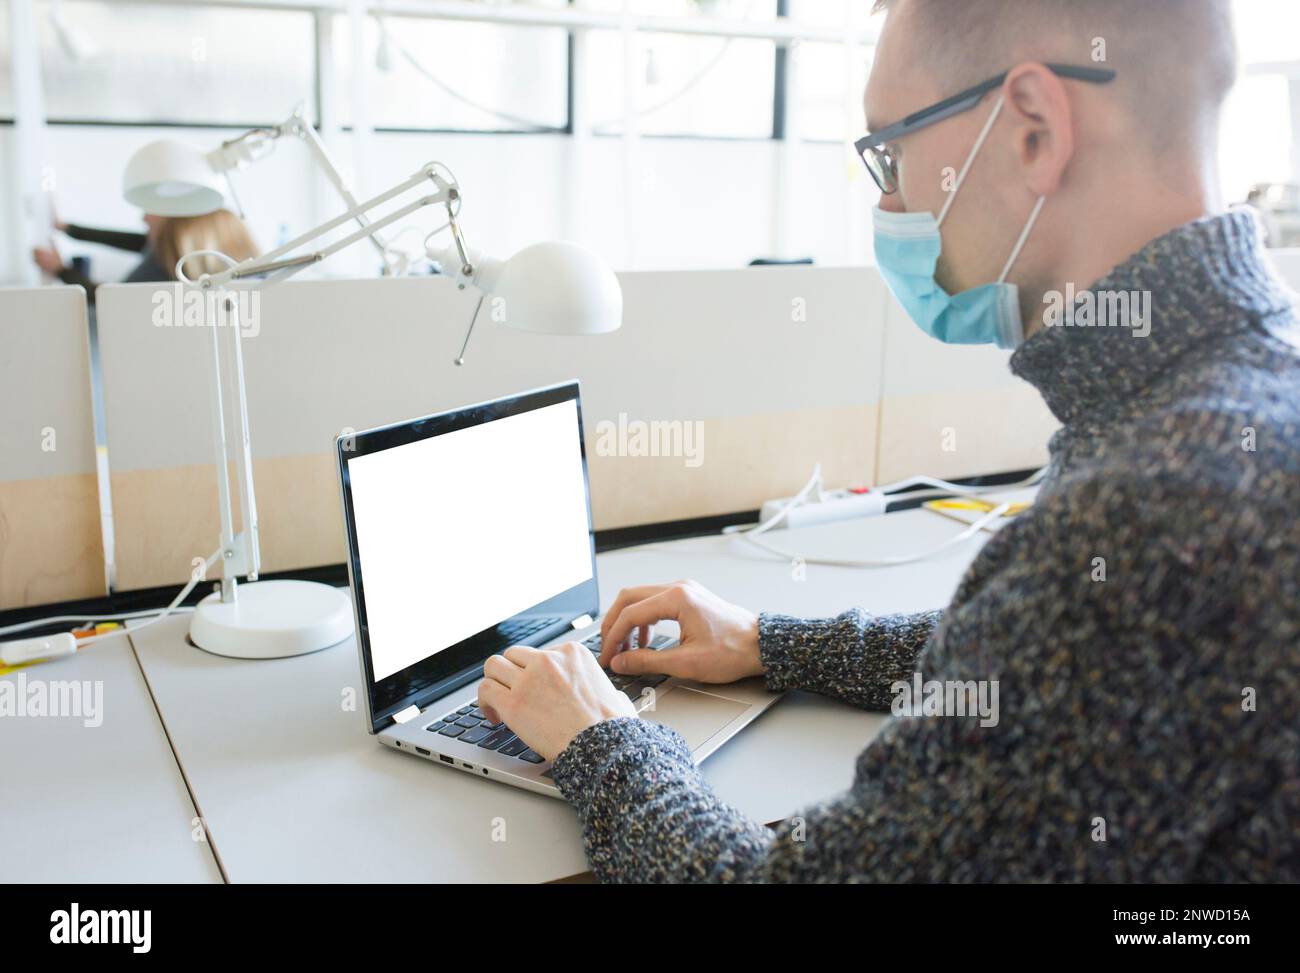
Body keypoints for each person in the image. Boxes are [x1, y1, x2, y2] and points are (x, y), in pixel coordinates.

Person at [474, 0, 1300, 882]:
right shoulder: (1233, 402)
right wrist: (768, 639)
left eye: (893, 150)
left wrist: (602, 739)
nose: (887, 200)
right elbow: (1057, 664)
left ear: (1032, 131)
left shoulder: (1140, 515)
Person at [32, 208, 257, 302]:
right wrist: (69, 229)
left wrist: (61, 270)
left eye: (151, 209)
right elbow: (132, 240)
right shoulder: (221, 226)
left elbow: (110, 300)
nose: (144, 218)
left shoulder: (165, 258)